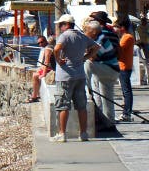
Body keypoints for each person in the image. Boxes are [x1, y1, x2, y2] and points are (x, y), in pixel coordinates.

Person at [52, 14, 100, 142]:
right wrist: (85, 57)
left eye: (60, 25)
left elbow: (56, 49)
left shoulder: (65, 36)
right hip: (80, 75)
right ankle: (83, 134)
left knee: (63, 105)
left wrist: (58, 59)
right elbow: (97, 47)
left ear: (66, 24)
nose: (59, 27)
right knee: (81, 106)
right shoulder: (81, 36)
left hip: (65, 76)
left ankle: (62, 134)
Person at [83, 20, 120, 129]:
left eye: (87, 30)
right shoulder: (99, 38)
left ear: (94, 32)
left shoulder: (100, 40)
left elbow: (92, 57)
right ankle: (110, 123)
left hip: (109, 69)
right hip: (111, 70)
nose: (85, 32)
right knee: (107, 98)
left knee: (88, 63)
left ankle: (86, 89)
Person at [115, 17, 135, 122]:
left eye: (117, 27)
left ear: (122, 28)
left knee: (126, 91)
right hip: (122, 66)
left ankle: (127, 112)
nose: (116, 29)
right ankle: (126, 111)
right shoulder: (124, 37)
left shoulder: (127, 37)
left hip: (124, 66)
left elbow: (119, 49)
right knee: (125, 90)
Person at [26, 35, 55, 102]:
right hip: (48, 69)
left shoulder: (48, 48)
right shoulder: (47, 47)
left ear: (45, 41)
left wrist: (44, 74)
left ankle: (34, 96)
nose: (40, 44)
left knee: (35, 76)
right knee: (35, 74)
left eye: (42, 42)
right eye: (38, 43)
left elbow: (46, 61)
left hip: (51, 70)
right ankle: (36, 95)